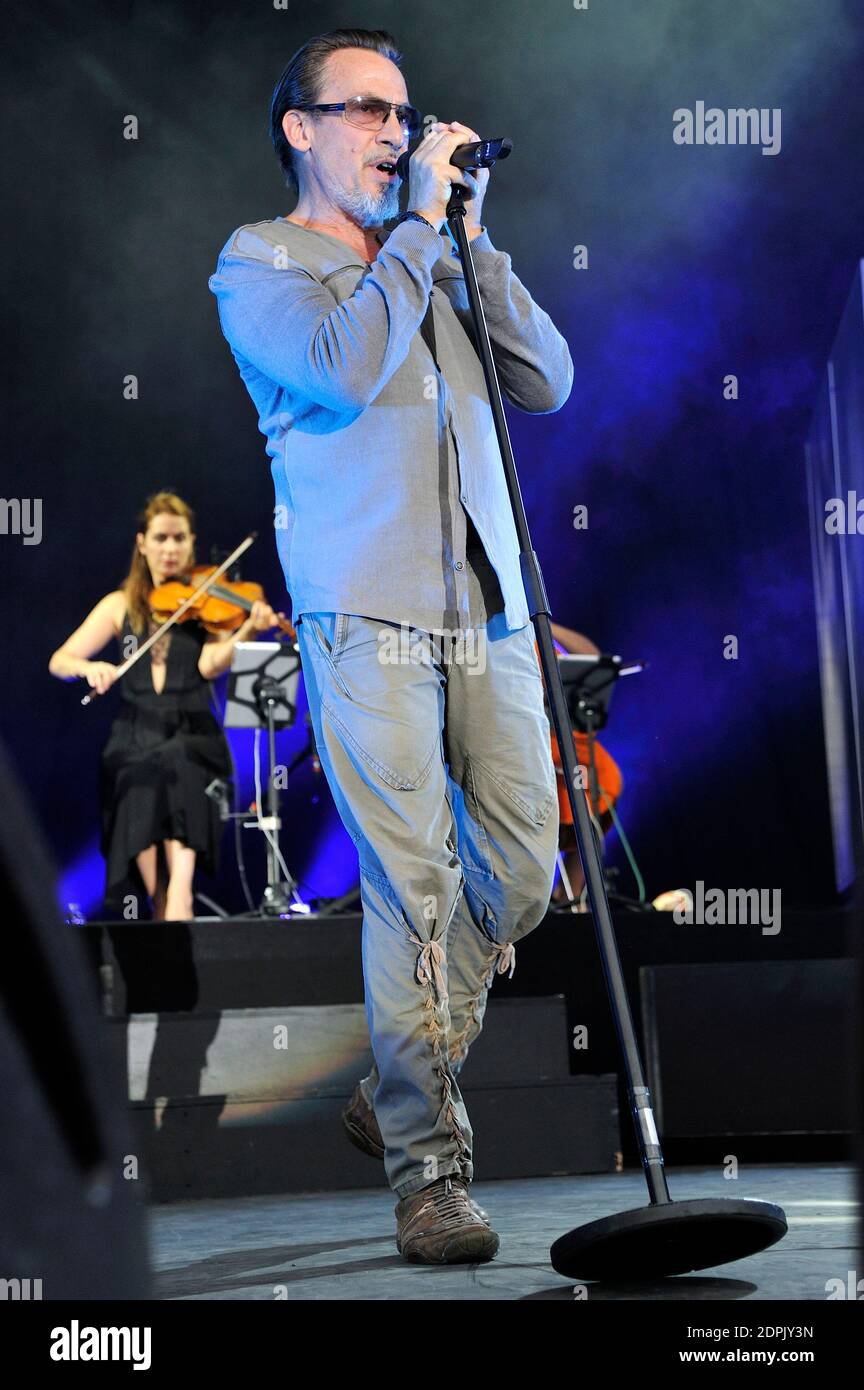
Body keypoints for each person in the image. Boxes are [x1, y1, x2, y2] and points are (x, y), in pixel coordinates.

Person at [208, 28, 573, 1263]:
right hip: (365, 615)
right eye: (364, 109)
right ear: (298, 128)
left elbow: (551, 381)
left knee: (523, 872)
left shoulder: (441, 255)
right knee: (411, 887)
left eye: (402, 112)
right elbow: (345, 366)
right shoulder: (261, 262)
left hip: (491, 609)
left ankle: (395, 1082)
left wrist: (470, 238)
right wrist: (417, 234)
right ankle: (430, 1171)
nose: (394, 131)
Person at [48, 491, 281, 921]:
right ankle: (158, 900)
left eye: (180, 539)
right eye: (161, 538)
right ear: (142, 543)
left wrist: (247, 628)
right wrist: (91, 668)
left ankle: (180, 896)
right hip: (135, 732)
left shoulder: (203, 599)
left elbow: (211, 665)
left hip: (192, 728)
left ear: (192, 542)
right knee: (136, 771)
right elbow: (59, 661)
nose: (170, 549)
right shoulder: (119, 605)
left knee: (182, 764)